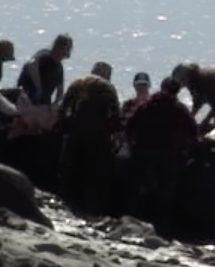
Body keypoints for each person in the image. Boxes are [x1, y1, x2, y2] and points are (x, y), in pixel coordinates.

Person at [124, 76, 200, 227]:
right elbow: (193, 132)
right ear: (177, 92)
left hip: (143, 153)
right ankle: (161, 224)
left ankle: (135, 219)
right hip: (168, 155)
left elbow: (130, 126)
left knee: (140, 187)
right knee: (165, 191)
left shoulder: (147, 106)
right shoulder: (180, 110)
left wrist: (132, 145)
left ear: (162, 88)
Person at [59, 60, 122, 215]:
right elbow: (116, 116)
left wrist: (67, 128)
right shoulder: (107, 89)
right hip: (98, 139)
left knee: (71, 175)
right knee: (96, 179)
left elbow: (63, 109)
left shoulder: (77, 84)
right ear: (107, 75)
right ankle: (94, 213)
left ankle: (68, 208)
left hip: (75, 136)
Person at [21, 34, 73, 108]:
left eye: (63, 54)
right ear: (55, 47)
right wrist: (38, 87)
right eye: (59, 52)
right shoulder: (44, 56)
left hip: (43, 105)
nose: (61, 56)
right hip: (27, 99)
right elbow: (31, 65)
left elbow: (60, 92)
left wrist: (55, 103)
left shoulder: (59, 68)